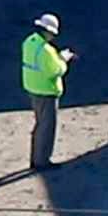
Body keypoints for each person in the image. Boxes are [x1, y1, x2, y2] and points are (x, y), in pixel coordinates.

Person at [21, 12, 75, 173]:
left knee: (40, 124)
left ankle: (36, 158)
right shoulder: (46, 50)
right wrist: (63, 60)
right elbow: (56, 70)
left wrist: (55, 57)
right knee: (46, 127)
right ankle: (42, 161)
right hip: (46, 91)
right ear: (48, 31)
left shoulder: (29, 42)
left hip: (33, 88)